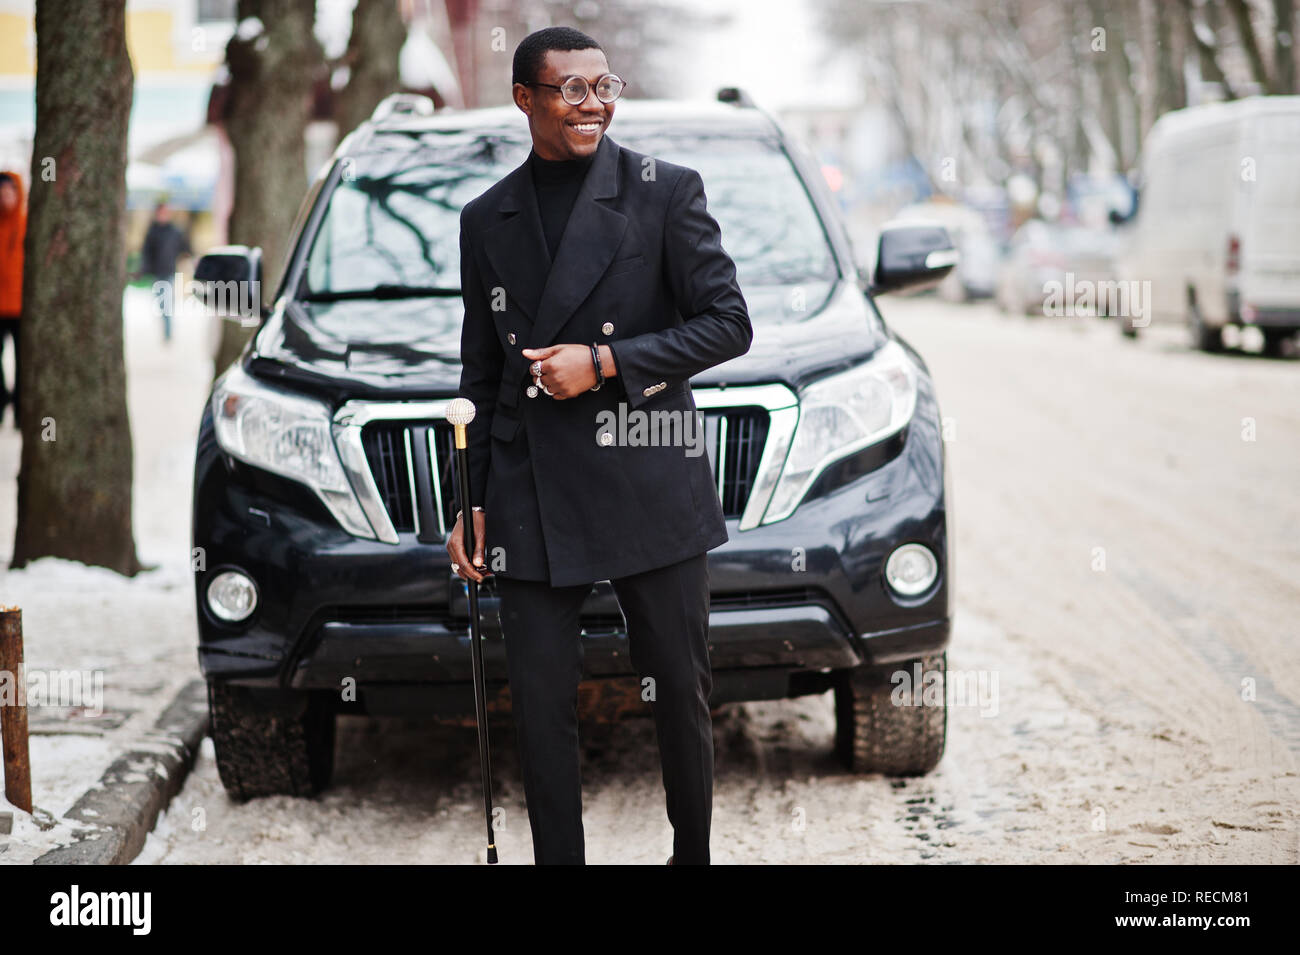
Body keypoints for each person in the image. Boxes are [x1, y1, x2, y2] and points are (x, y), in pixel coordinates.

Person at [448, 26, 752, 865]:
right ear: (526, 100)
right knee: (541, 702)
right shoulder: (486, 219)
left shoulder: (664, 192)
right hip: (530, 490)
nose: (594, 105)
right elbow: (480, 375)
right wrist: (468, 504)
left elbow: (730, 325)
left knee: (679, 689)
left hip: (646, 473)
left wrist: (608, 363)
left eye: (603, 86)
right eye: (572, 90)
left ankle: (692, 853)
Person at [139, 199, 191, 342]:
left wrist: (187, 256)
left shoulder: (174, 231)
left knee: (166, 303)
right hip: (156, 273)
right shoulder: (152, 231)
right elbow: (146, 253)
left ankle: (168, 332)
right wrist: (144, 270)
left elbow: (184, 247)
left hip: (169, 272)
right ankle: (165, 327)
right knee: (160, 304)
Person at [0, 170, 24, 429]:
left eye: (9, 191)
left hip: (20, 307)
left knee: (23, 360)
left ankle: (20, 409)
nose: (5, 197)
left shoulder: (26, 224)